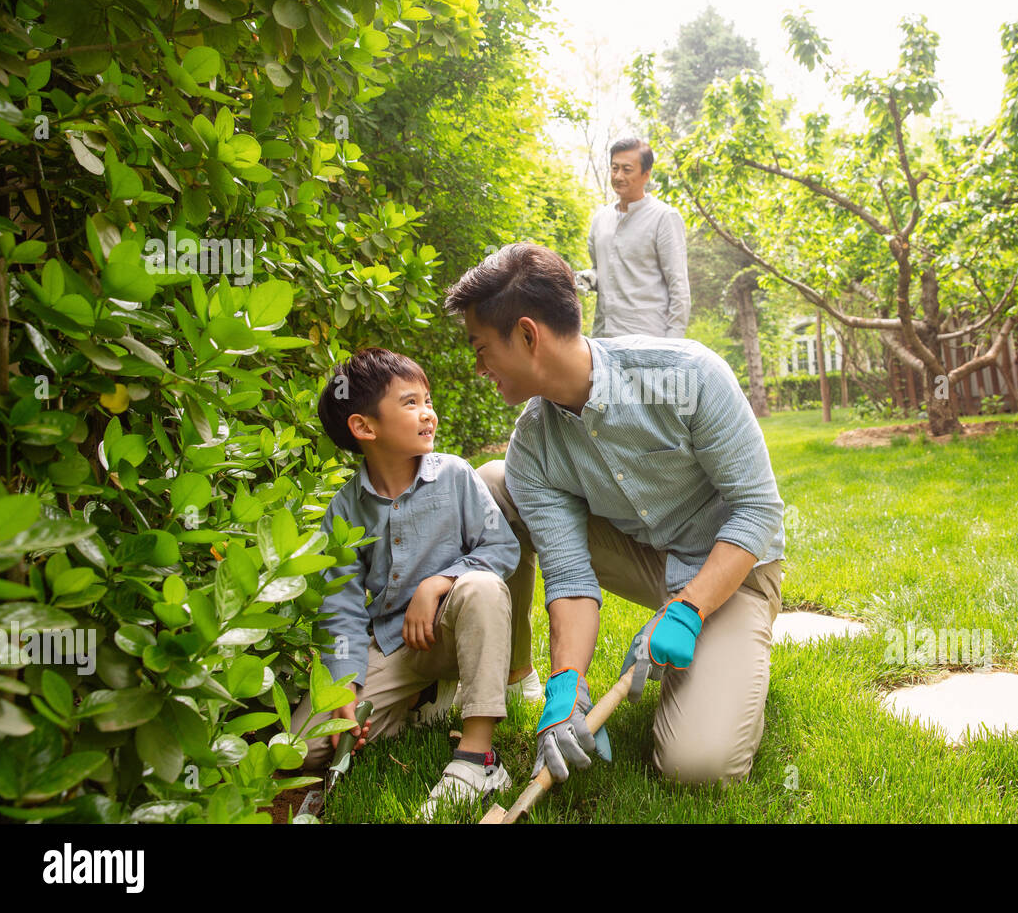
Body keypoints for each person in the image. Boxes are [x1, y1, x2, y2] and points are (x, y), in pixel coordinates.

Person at [445, 243, 785, 786]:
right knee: (493, 484)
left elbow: (757, 508)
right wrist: (567, 688)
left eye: (482, 348)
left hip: (733, 568)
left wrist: (689, 610)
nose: (478, 366)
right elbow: (572, 576)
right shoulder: (533, 444)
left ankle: (734, 651)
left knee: (697, 768)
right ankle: (518, 676)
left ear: (529, 336)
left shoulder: (688, 375)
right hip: (640, 556)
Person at [298, 347, 533, 821]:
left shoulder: (455, 476)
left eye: (427, 400)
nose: (428, 413)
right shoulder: (345, 510)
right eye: (411, 403)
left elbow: (503, 550)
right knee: (306, 748)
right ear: (365, 428)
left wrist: (438, 583)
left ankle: (478, 756)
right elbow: (340, 607)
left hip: (452, 627)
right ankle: (420, 699)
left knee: (482, 587)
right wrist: (345, 689)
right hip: (395, 644)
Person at [576, 138, 691, 338]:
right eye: (614, 168)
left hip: (649, 341)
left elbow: (678, 287)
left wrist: (672, 346)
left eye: (627, 169)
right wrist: (590, 277)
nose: (618, 176)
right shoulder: (601, 218)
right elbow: (601, 269)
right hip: (604, 340)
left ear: (646, 174)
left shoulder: (664, 218)